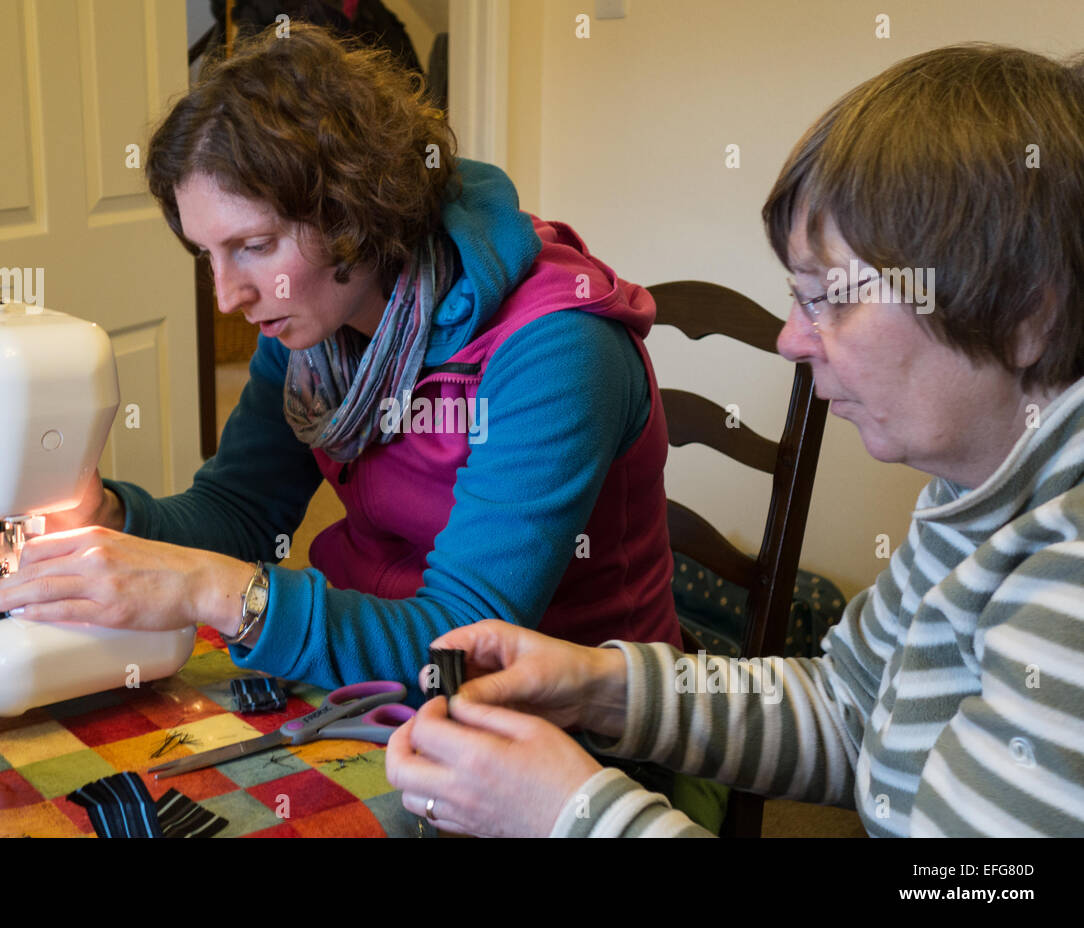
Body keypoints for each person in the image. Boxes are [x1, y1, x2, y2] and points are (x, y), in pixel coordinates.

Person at [385, 42, 1084, 837]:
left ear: (1030, 311)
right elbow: (853, 705)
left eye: (832, 298)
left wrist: (571, 815)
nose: (792, 340)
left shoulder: (1068, 591)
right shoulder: (979, 492)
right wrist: (597, 685)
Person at [0, 24, 682, 700]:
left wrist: (209, 588)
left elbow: (465, 646)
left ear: (355, 208)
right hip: (373, 678)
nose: (227, 297)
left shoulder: (556, 348)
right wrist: (113, 516)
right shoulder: (312, 332)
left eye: (253, 245)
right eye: (206, 254)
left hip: (572, 728)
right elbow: (241, 509)